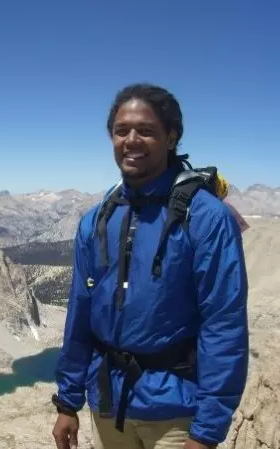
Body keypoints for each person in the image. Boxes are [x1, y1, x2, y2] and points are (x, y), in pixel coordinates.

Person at [51, 83, 249, 449]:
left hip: (176, 415)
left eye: (146, 130)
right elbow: (80, 313)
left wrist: (206, 433)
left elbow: (223, 324)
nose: (131, 140)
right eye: (121, 130)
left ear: (171, 138)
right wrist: (67, 401)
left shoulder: (207, 218)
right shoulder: (96, 220)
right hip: (108, 408)